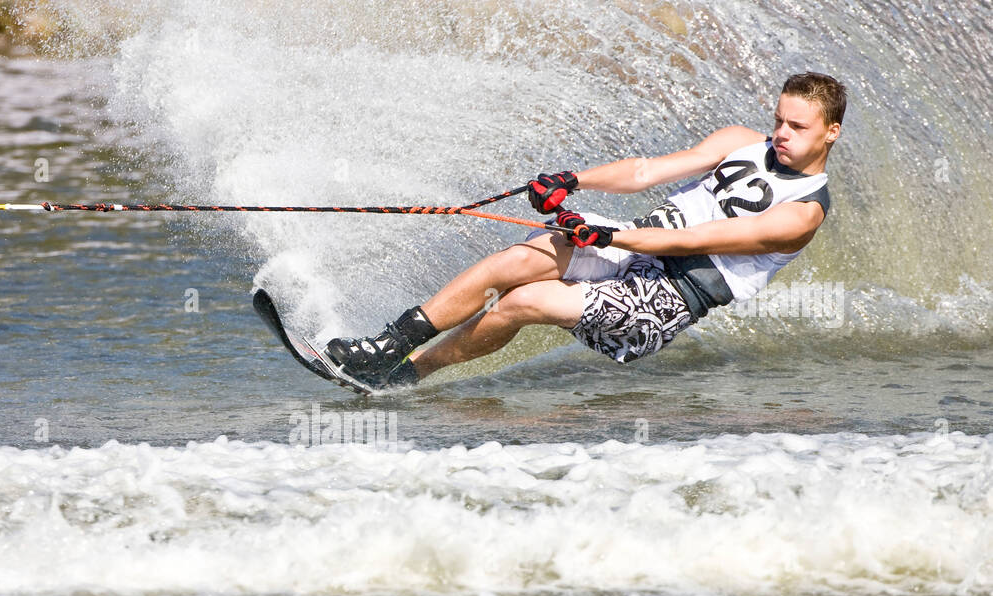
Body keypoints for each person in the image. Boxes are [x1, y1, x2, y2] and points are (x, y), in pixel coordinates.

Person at [325, 71, 845, 389]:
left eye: (797, 127)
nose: (780, 133)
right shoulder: (740, 140)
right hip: (634, 246)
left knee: (523, 302)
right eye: (778, 120)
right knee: (523, 256)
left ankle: (407, 376)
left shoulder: (802, 214)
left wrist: (610, 237)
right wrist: (571, 180)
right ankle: (386, 348)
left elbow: (691, 241)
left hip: (663, 301)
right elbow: (645, 171)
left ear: (830, 132)